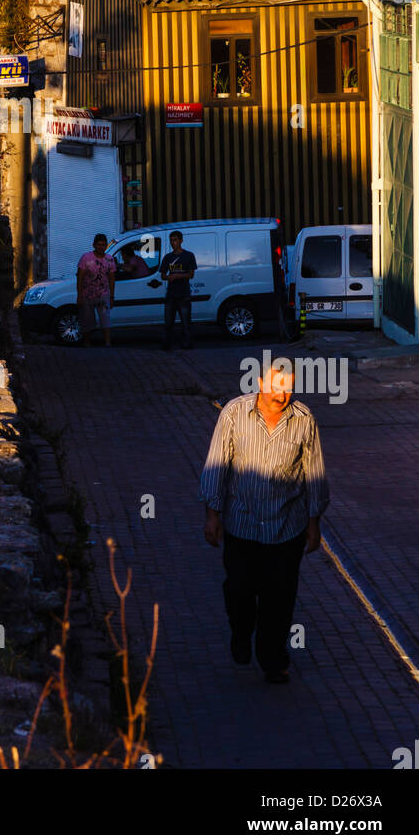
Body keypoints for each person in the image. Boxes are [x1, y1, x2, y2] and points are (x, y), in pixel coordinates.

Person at [199, 362, 329, 684]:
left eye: (288, 387)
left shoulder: (303, 420)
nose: (281, 394)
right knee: (239, 589)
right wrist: (212, 515)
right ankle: (241, 633)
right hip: (242, 524)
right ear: (259, 383)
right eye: (275, 386)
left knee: (280, 597)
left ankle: (273, 660)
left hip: (287, 525)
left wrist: (314, 522)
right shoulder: (234, 413)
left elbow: (314, 472)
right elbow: (217, 463)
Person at [76, 233, 117, 348]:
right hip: (87, 294)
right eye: (99, 244)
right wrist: (79, 295)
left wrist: (112, 296)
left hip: (103, 294)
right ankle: (87, 342)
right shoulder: (86, 258)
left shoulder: (110, 259)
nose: (101, 247)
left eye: (103, 245)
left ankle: (107, 343)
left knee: (105, 318)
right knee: (87, 319)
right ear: (94, 245)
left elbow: (112, 279)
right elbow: (80, 277)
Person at [159, 230, 197, 350]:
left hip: (184, 294)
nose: (173, 243)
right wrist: (168, 277)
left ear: (181, 240)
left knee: (186, 323)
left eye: (175, 240)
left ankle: (187, 344)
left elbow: (191, 274)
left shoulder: (188, 256)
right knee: (168, 323)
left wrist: (177, 276)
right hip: (171, 294)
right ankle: (167, 344)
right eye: (171, 240)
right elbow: (163, 275)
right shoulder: (168, 257)